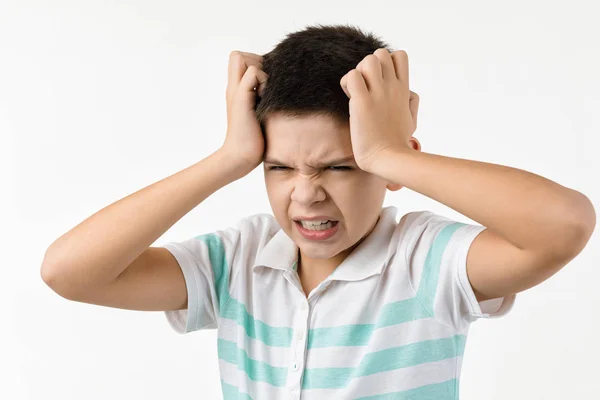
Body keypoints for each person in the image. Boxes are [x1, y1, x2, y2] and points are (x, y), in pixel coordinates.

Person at [40, 23, 595, 399]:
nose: (305, 196)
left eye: (342, 167)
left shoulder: (425, 261)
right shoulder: (238, 260)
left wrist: (388, 153)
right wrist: (227, 159)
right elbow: (68, 272)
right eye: (278, 168)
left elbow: (563, 225)